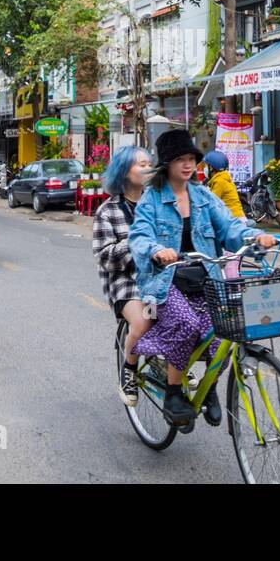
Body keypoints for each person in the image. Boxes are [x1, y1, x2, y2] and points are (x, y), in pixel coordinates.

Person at [127, 129, 276, 428]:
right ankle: (172, 392)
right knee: (187, 323)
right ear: (167, 163)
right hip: (165, 281)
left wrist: (256, 236)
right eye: (180, 159)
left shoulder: (204, 196)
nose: (187, 164)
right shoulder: (151, 200)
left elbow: (230, 228)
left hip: (205, 277)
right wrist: (157, 250)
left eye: (191, 158)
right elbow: (139, 237)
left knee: (225, 330)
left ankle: (208, 390)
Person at [93, 145, 156, 406]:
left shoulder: (159, 203)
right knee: (144, 321)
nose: (147, 167)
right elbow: (105, 256)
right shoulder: (107, 211)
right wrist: (135, 239)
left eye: (148, 163)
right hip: (124, 278)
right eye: (140, 164)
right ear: (124, 171)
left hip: (158, 275)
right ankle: (129, 370)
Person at [202, 150, 245, 219]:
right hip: (232, 217)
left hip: (233, 219)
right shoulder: (222, 178)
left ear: (212, 168)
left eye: (206, 166)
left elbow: (211, 201)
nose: (204, 168)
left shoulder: (220, 181)